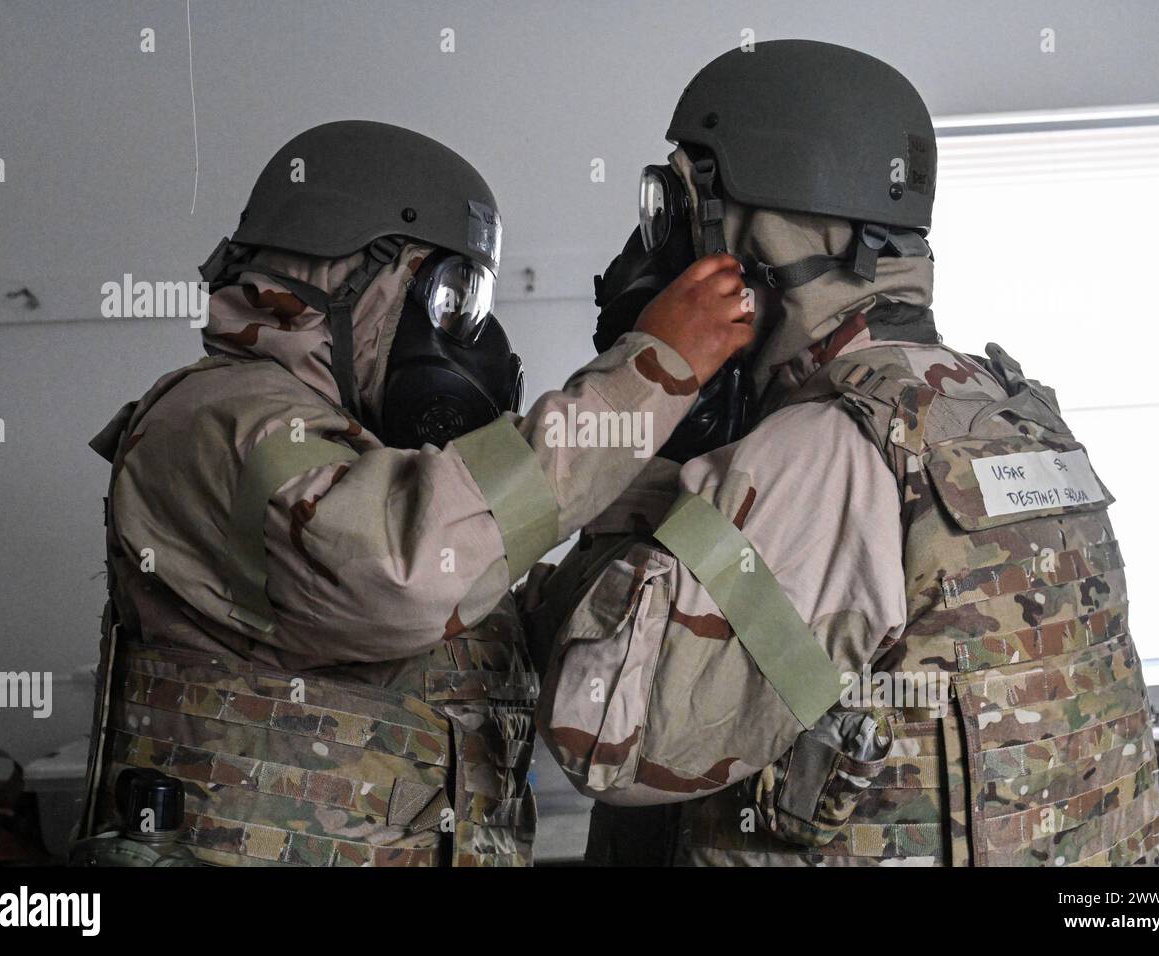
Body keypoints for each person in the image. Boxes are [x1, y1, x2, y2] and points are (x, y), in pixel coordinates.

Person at [527, 40, 1159, 867]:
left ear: (747, 226)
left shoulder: (824, 449)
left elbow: (610, 740)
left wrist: (629, 461)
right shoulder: (1016, 413)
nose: (657, 244)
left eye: (672, 206)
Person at [77, 120, 752, 866]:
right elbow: (402, 574)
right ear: (354, 278)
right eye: (452, 296)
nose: (469, 336)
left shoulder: (351, 450)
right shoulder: (216, 421)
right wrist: (649, 376)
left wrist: (640, 518)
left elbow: (460, 636)